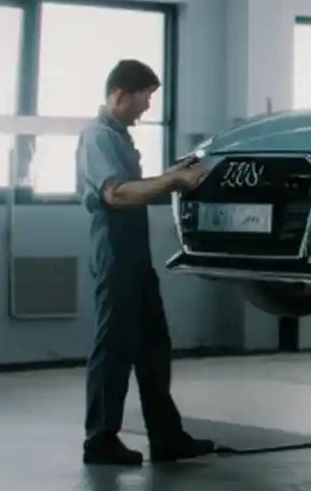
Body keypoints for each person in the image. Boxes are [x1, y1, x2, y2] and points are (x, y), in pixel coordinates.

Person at [75, 59, 215, 466]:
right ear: (120, 93)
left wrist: (172, 176)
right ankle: (99, 440)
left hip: (135, 254)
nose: (148, 107)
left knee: (154, 345)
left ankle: (167, 437)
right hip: (115, 253)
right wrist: (171, 181)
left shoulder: (118, 136)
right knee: (114, 347)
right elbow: (116, 194)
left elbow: (136, 190)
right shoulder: (98, 137)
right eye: (146, 97)